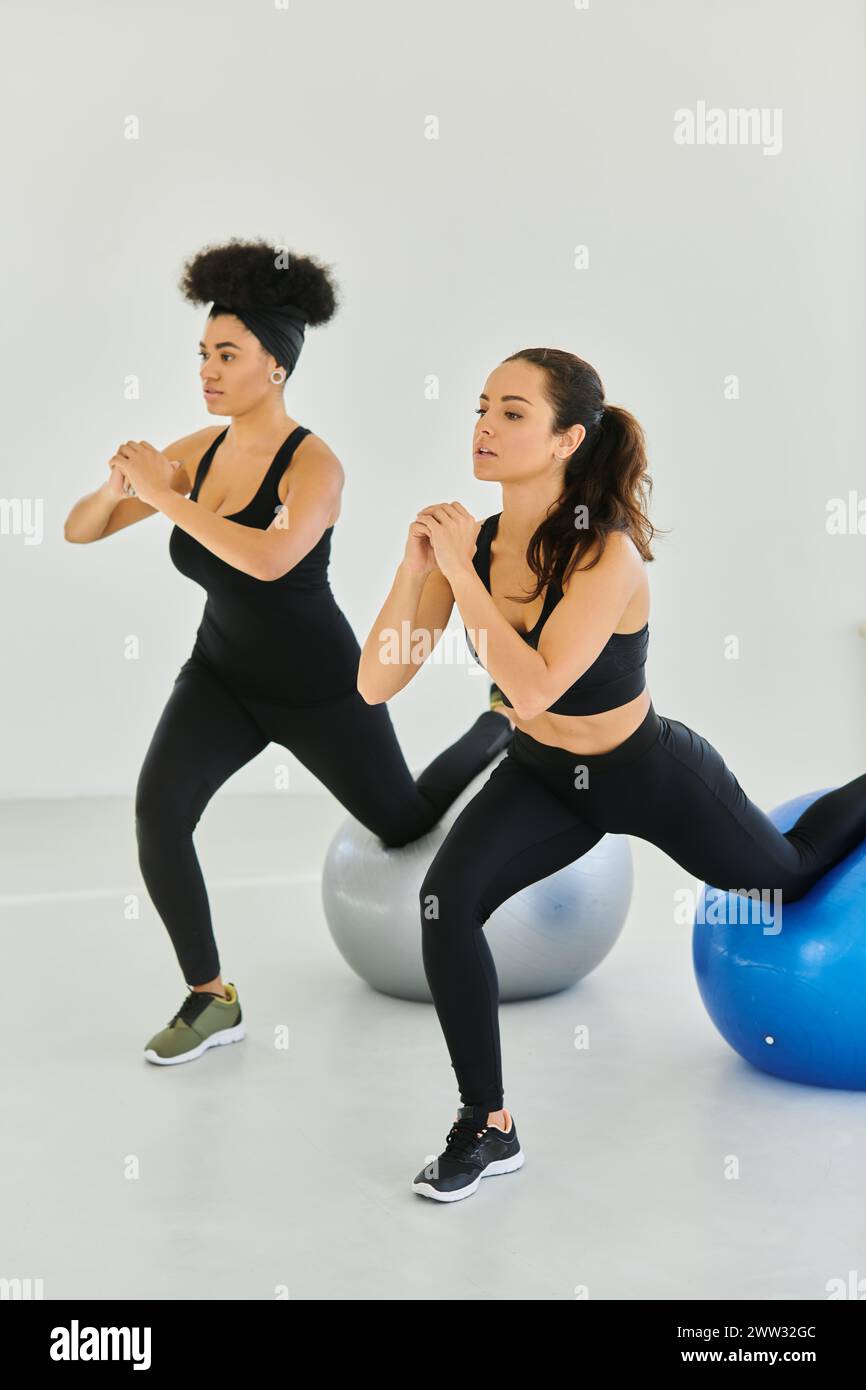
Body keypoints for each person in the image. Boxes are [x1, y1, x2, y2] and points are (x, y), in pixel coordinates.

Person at [364, 345, 866, 1202]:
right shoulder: (473, 547)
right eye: (482, 407)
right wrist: (414, 575)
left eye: (513, 412)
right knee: (445, 906)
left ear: (567, 440)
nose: (484, 426)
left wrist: (453, 572)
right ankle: (487, 1124)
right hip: (541, 774)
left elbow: (530, 682)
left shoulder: (608, 555)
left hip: (645, 770)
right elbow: (377, 679)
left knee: (783, 878)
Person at [63, 238, 512, 1065]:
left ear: (275, 366)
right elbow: (80, 529)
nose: (207, 369)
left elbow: (270, 560)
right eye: (203, 353)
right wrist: (119, 484)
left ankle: (496, 727)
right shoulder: (197, 451)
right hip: (222, 675)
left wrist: (166, 497)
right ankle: (211, 998)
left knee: (403, 824)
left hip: (318, 686)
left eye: (227, 355)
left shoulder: (316, 466)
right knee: (160, 815)